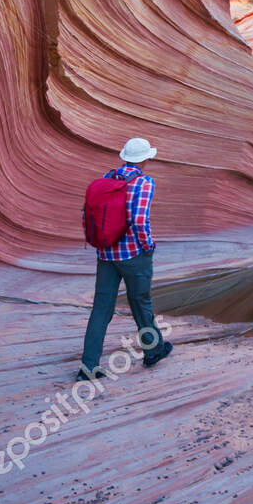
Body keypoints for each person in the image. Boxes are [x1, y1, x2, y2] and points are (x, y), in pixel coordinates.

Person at [78, 137, 172, 379]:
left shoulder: (107, 178)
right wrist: (148, 246)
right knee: (141, 303)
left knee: (101, 308)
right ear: (146, 159)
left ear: (125, 157)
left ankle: (88, 366)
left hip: (106, 254)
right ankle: (153, 351)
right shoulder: (144, 182)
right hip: (133, 255)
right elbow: (139, 220)